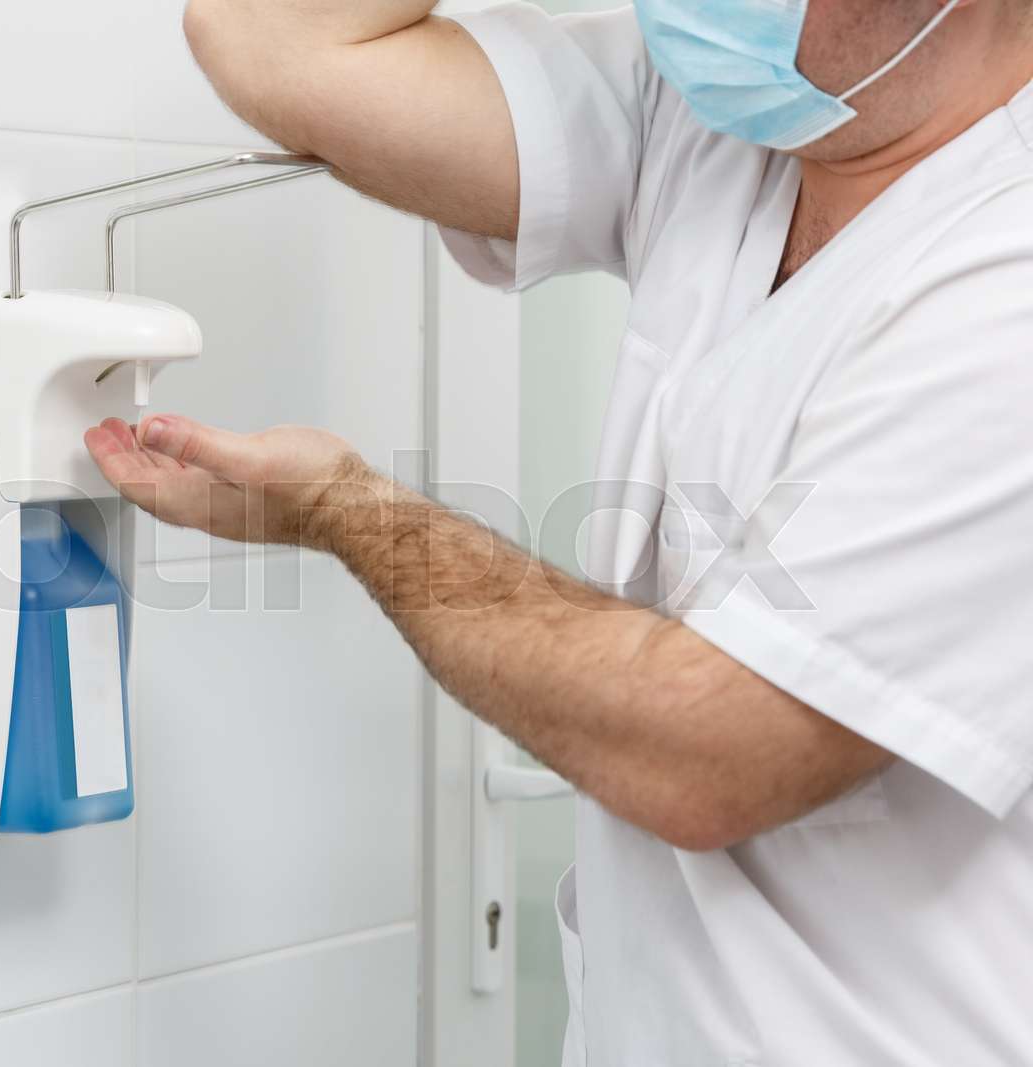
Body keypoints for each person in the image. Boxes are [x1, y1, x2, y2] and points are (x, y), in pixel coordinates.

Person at [84, 0, 1033, 1062]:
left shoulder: (1007, 276)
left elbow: (707, 746)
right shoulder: (721, 130)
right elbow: (265, 36)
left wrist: (350, 512)